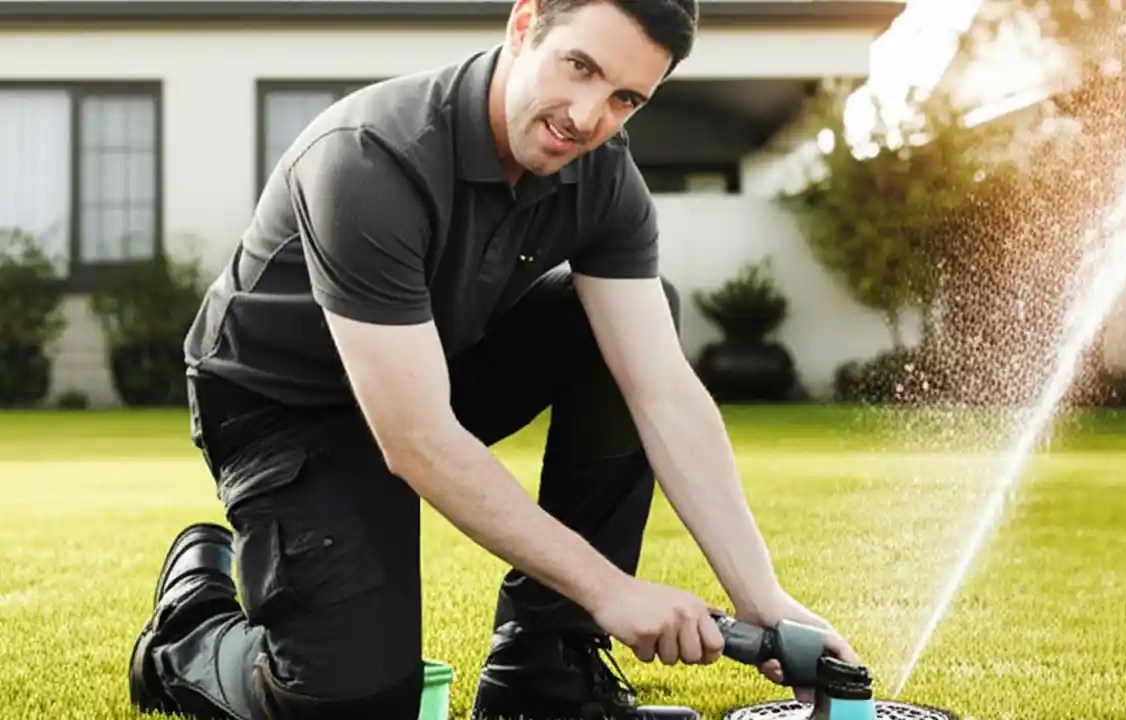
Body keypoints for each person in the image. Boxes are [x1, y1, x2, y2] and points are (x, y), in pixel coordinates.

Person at [127, 1, 860, 718]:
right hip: (283, 413)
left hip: (435, 369)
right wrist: (610, 590)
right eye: (579, 66)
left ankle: (545, 673)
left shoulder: (603, 177)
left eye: (625, 97)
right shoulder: (370, 156)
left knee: (634, 319)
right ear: (523, 24)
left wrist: (764, 601)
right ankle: (188, 632)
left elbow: (663, 391)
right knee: (356, 701)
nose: (587, 115)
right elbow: (416, 442)